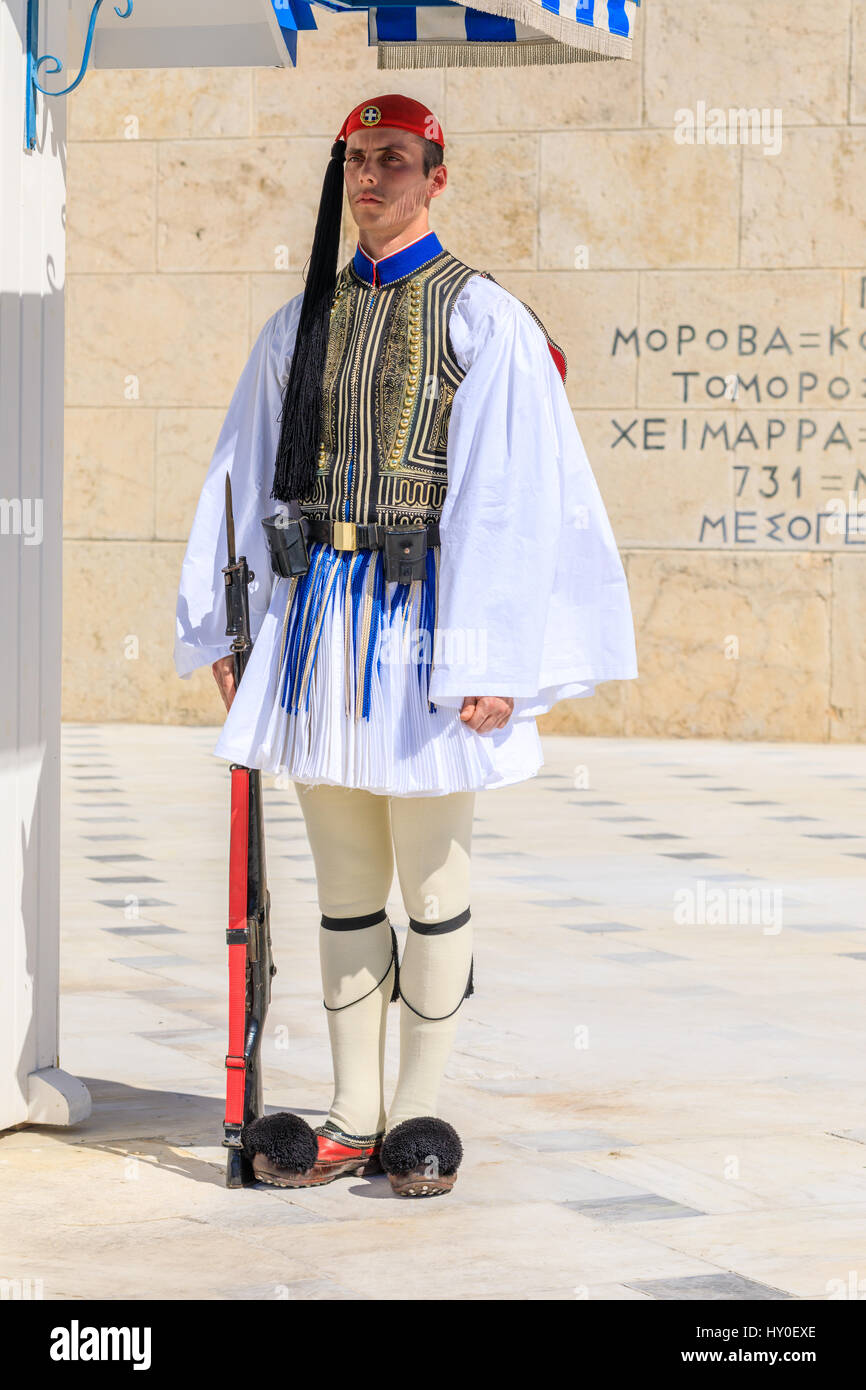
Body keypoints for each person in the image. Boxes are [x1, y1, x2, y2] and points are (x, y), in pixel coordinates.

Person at [174, 93, 638, 1198]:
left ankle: (419, 1109)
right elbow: (242, 467)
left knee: (432, 879)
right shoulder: (303, 322)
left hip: (429, 621)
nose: (371, 177)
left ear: (438, 174)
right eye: (357, 160)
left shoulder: (481, 319)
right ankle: (350, 1112)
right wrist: (226, 625)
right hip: (320, 626)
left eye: (394, 159)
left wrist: (488, 655)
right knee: (344, 883)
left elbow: (510, 501)